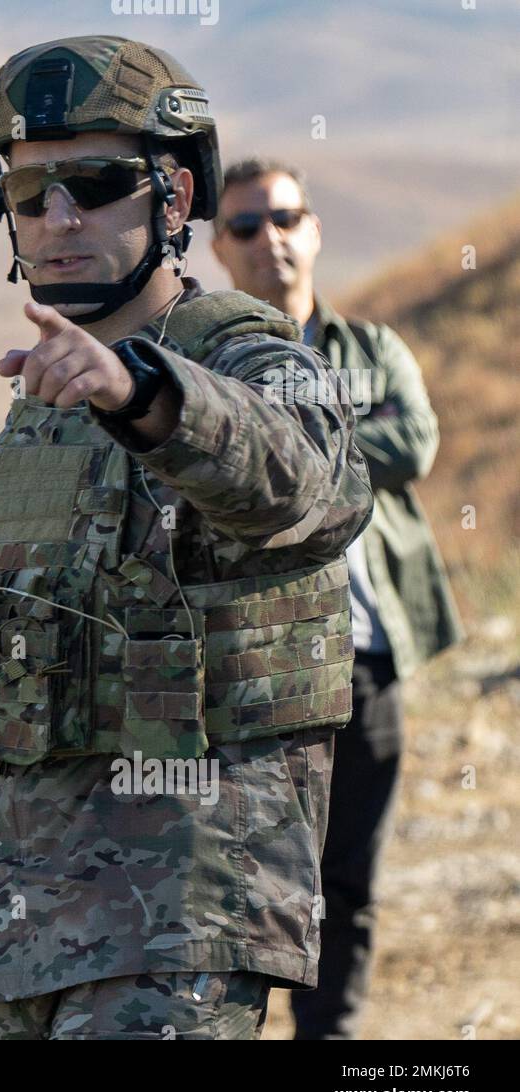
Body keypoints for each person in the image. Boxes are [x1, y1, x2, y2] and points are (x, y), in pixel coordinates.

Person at [0, 36, 373, 1040]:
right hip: (16, 944)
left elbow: (311, 480)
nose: (58, 218)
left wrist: (147, 393)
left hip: (176, 928)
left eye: (97, 184)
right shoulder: (30, 418)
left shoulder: (241, 353)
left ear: (173, 199)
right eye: (30, 194)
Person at [212, 156, 464, 1039]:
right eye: (245, 225)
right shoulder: (206, 361)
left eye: (284, 217)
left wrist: (276, 451)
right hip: (248, 672)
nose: (268, 240)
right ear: (216, 245)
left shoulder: (369, 348)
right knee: (248, 884)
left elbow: (416, 442)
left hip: (363, 655)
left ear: (313, 230)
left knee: (347, 879)